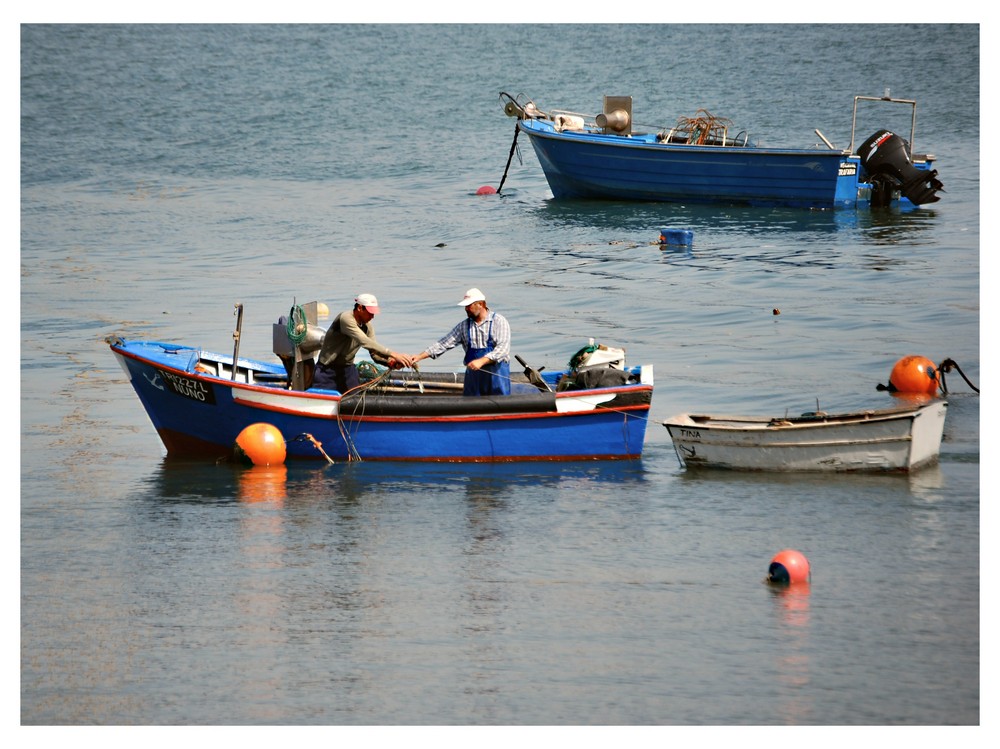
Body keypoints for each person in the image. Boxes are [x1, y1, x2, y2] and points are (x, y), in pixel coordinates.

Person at [411, 288, 511, 396]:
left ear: (480, 304)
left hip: (497, 379)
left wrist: (481, 361)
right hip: (474, 381)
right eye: (465, 306)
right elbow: (443, 344)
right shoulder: (463, 326)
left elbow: (503, 350)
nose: (466, 309)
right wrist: (419, 357)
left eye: (469, 305)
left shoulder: (499, 321)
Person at [311, 293, 414, 393]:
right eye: (370, 313)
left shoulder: (368, 327)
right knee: (322, 401)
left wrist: (390, 362)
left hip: (348, 370)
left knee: (354, 402)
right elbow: (364, 341)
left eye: (373, 313)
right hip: (327, 370)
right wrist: (394, 354)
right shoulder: (346, 318)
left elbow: (374, 353)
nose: (372, 316)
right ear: (360, 308)